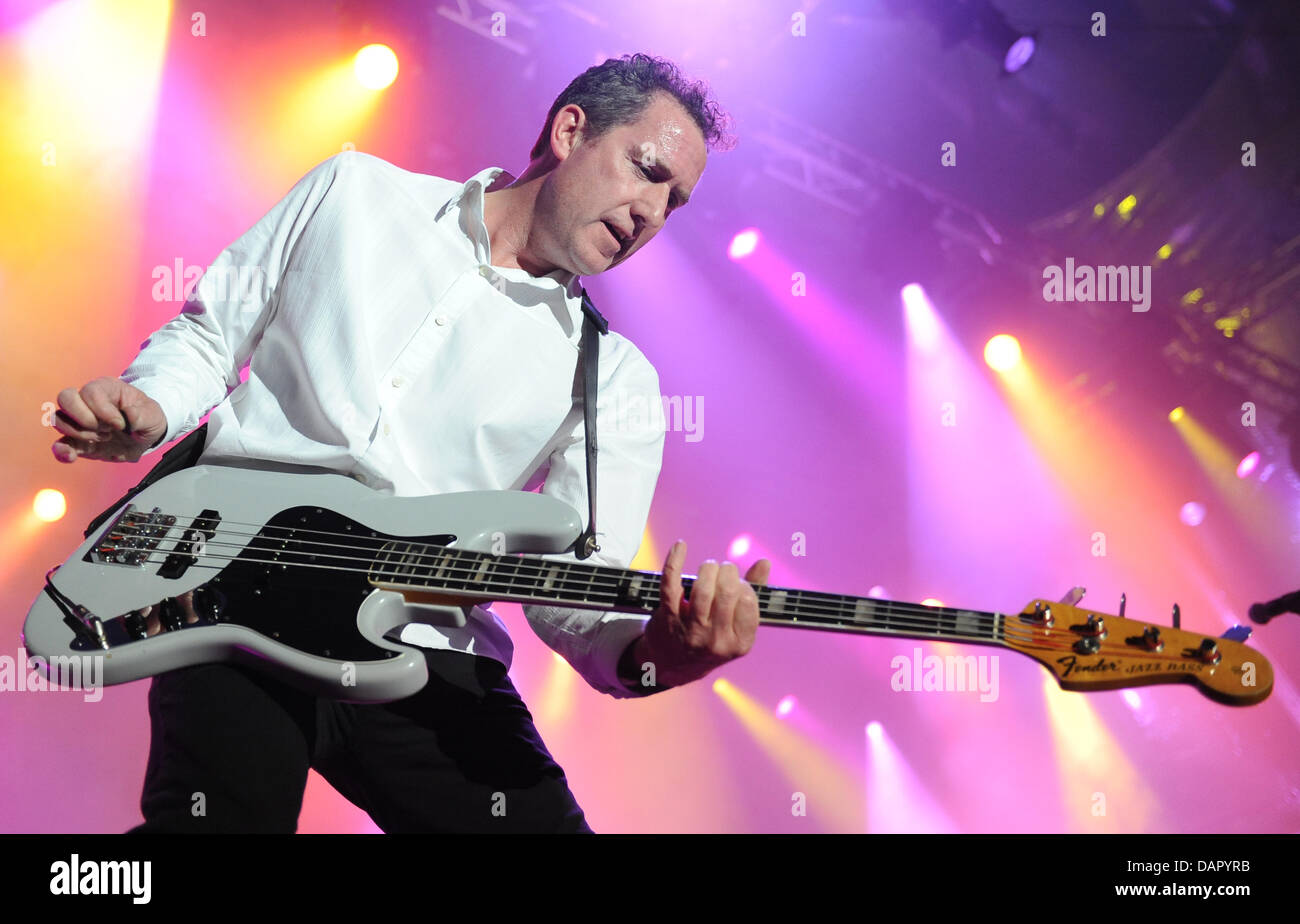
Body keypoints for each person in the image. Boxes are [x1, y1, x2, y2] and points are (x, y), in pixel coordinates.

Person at [49, 53, 770, 833]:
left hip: (428, 645)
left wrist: (662, 652)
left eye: (675, 203)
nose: (651, 213)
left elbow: (571, 596)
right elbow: (210, 334)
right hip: (234, 589)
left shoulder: (614, 379)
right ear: (570, 131)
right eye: (647, 169)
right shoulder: (356, 194)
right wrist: (149, 407)